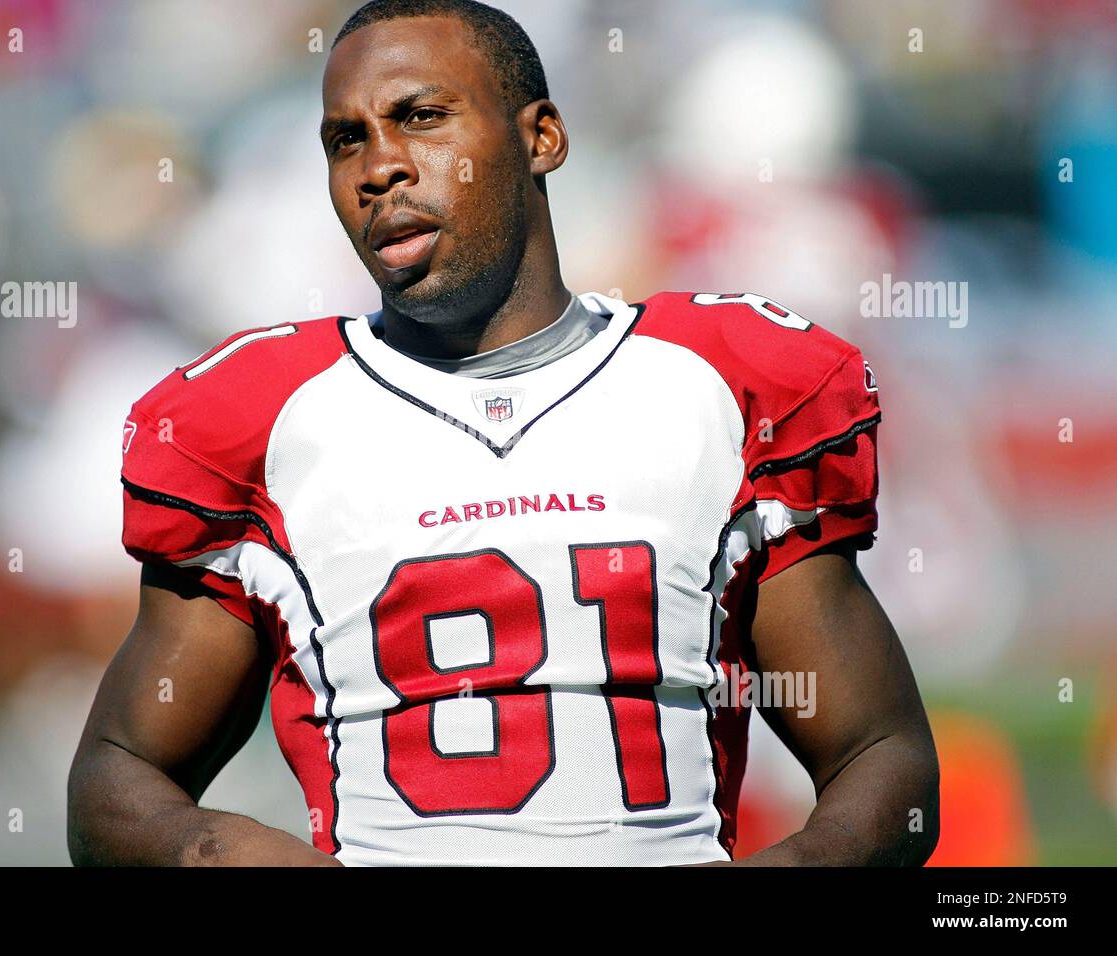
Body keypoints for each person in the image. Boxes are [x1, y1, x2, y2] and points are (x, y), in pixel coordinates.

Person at [68, 0, 939, 866]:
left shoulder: (716, 386)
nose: (379, 168)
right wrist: (216, 851)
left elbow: (880, 754)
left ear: (542, 139)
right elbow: (117, 779)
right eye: (346, 140)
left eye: (421, 118)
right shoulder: (267, 422)